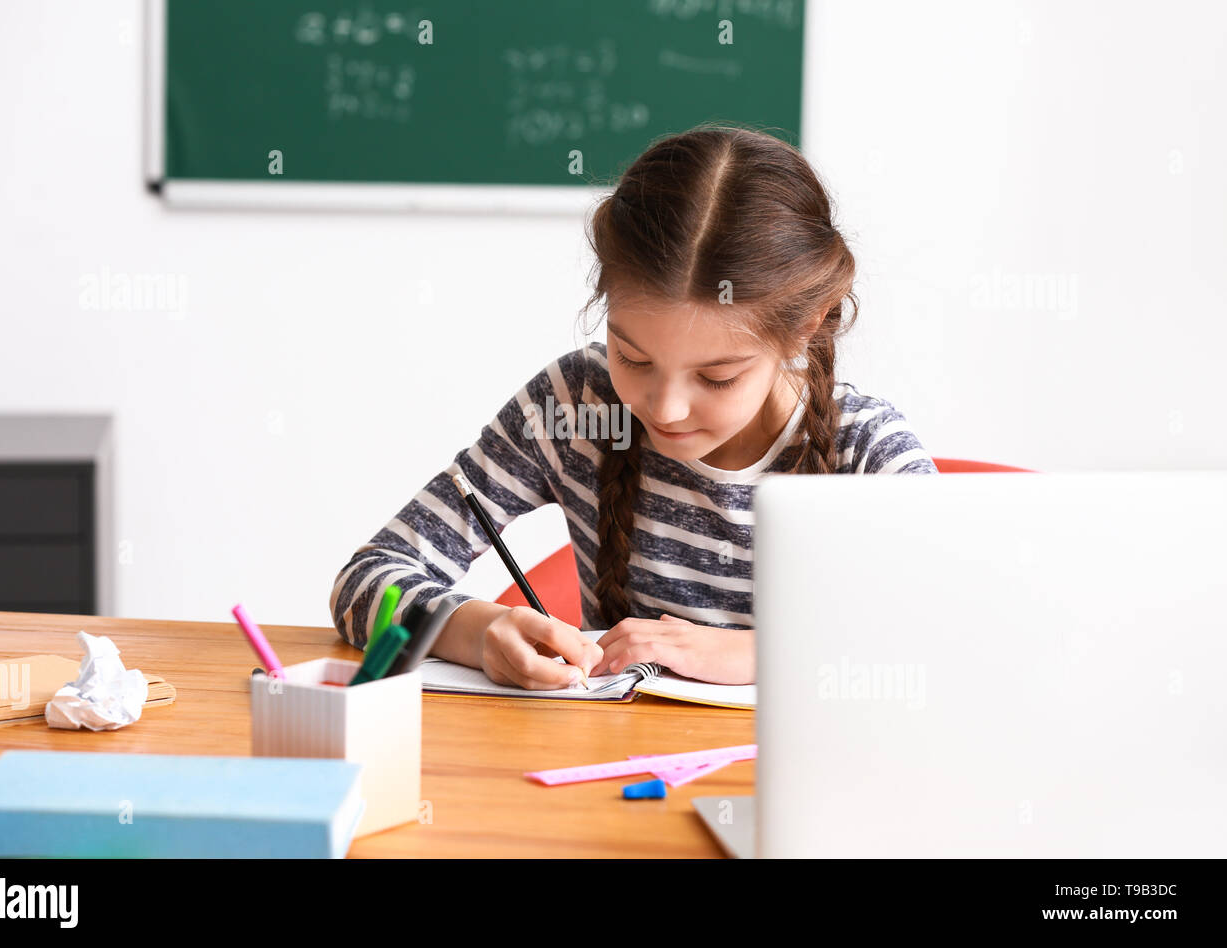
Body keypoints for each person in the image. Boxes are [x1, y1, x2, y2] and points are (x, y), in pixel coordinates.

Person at [329, 125, 937, 690]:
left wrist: (758, 652)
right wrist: (475, 631)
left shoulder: (868, 455)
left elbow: (962, 637)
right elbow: (368, 580)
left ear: (806, 326)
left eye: (717, 376)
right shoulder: (575, 406)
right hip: (609, 781)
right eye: (634, 359)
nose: (666, 408)